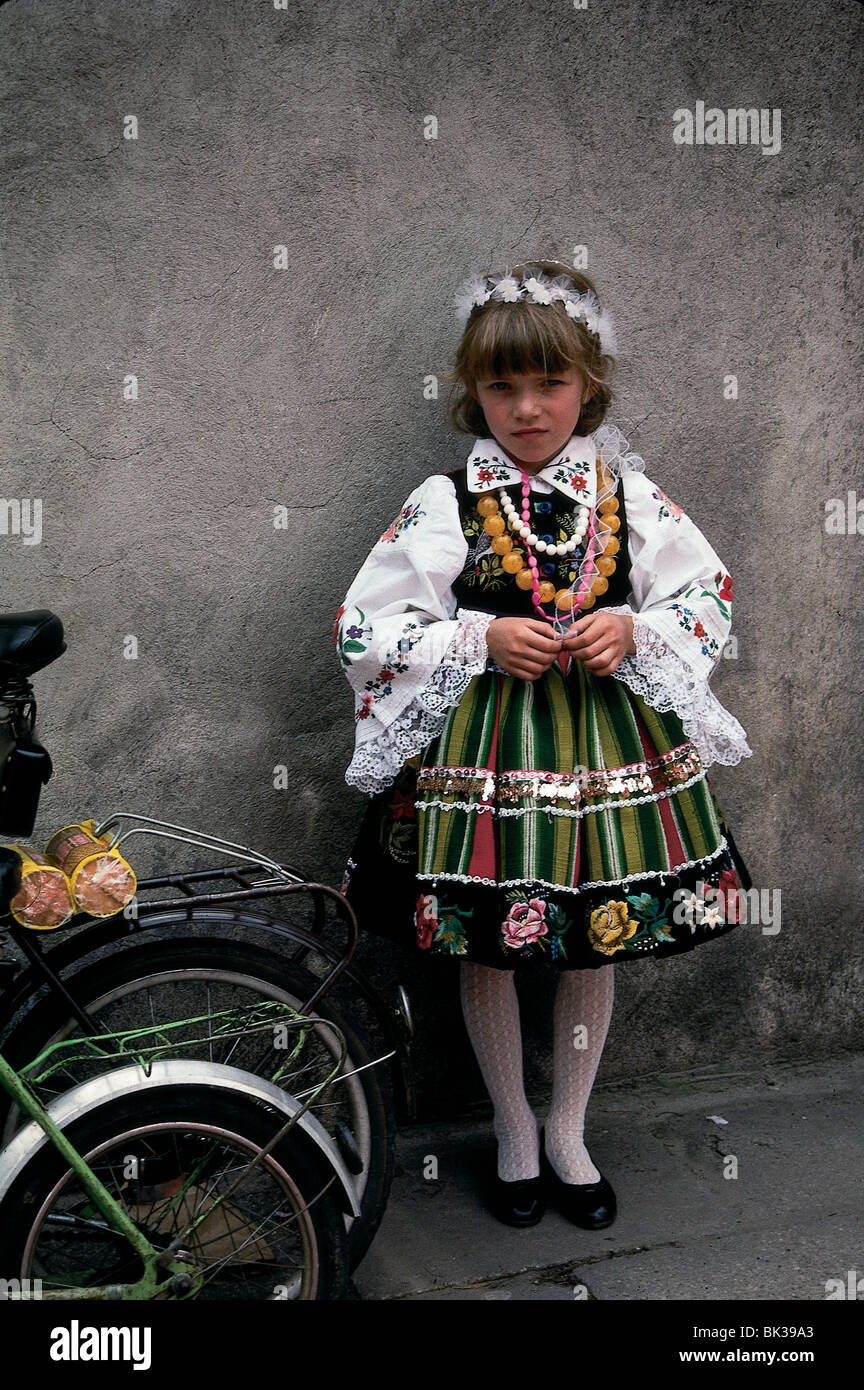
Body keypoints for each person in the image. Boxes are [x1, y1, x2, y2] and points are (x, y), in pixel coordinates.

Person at [332, 259, 753, 1231]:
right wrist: (474, 636)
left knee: (590, 933)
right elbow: (368, 623)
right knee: (492, 934)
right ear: (472, 392)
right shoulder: (448, 501)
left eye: (550, 383)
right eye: (502, 386)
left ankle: (569, 1127)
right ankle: (512, 1127)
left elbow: (706, 590)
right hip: (491, 756)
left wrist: (636, 630)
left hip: (608, 752)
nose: (527, 407)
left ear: (589, 384)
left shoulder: (628, 496)